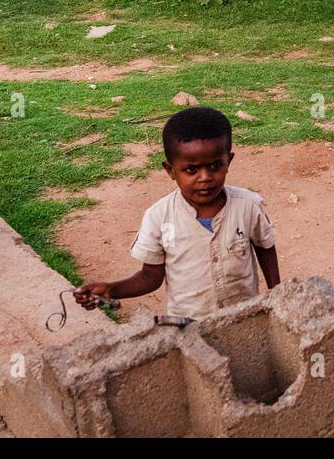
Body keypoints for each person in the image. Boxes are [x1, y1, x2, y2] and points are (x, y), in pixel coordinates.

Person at [75, 106, 279, 319]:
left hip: (244, 320)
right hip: (189, 327)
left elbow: (265, 246)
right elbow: (150, 276)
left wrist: (277, 294)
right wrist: (110, 289)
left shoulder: (248, 206)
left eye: (215, 165)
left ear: (229, 161)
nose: (205, 177)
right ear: (170, 170)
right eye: (191, 169)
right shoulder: (159, 217)